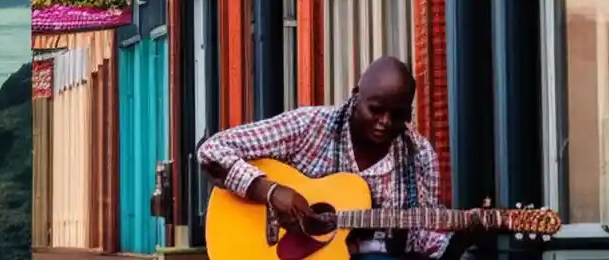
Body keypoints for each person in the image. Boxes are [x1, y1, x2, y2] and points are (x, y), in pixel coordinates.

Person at [197, 56, 475, 260]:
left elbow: (420, 236)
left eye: (399, 115)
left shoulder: (419, 154)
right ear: (356, 97)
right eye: (376, 110)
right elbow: (213, 150)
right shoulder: (310, 126)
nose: (385, 122)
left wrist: (459, 236)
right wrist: (270, 191)